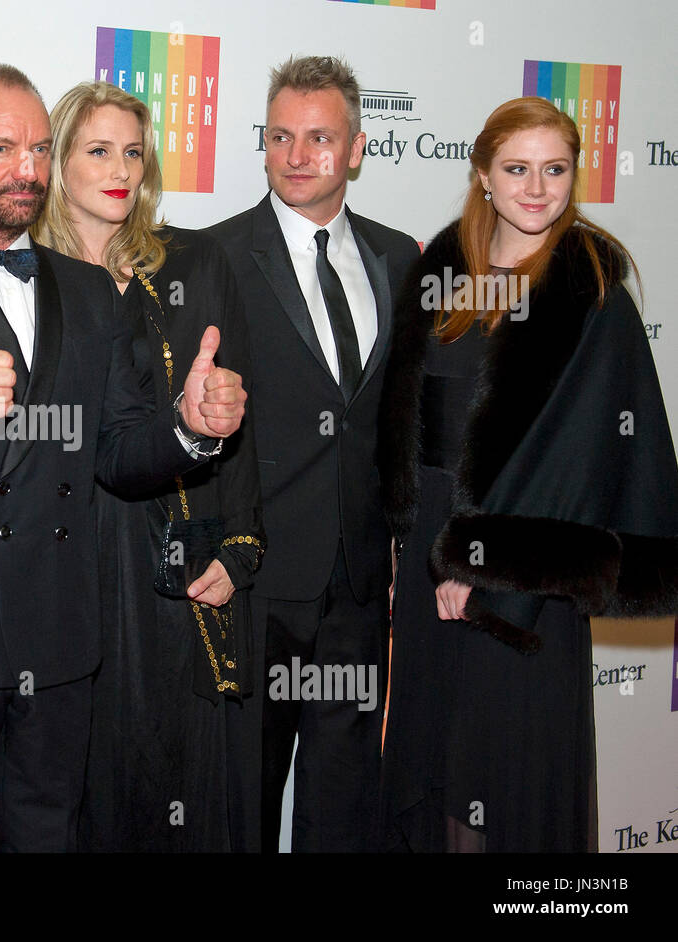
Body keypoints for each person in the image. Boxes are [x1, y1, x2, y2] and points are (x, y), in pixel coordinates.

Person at [0, 63, 247, 853]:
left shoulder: (89, 290)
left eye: (36, 149)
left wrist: (191, 431)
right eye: (0, 148)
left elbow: (121, 453)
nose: (25, 170)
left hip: (58, 642)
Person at [377, 96, 678, 852]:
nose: (537, 188)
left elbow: (585, 456)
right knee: (433, 769)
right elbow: (406, 430)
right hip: (428, 559)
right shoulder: (440, 269)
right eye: (517, 169)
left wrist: (489, 568)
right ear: (483, 174)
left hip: (527, 580)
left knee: (506, 781)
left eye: (556, 169)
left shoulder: (592, 292)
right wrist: (401, 547)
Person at [32, 81, 265, 851]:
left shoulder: (195, 261)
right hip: (69, 551)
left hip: (175, 549)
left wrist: (241, 546)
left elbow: (230, 411)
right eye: (97, 150)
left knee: (179, 767)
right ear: (58, 161)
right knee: (81, 772)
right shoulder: (25, 274)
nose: (119, 168)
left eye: (132, 151)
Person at [207, 55, 419, 852]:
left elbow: (403, 421)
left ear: (357, 149)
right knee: (244, 806)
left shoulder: (400, 260)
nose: (297, 155)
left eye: (320, 138)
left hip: (360, 590)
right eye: (280, 136)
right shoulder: (213, 256)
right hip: (256, 585)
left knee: (345, 809)